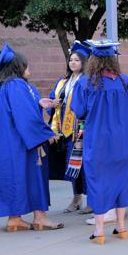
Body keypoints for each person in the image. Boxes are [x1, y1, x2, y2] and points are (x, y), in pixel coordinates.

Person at [0, 44, 62, 232]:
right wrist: (45, 134)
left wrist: (38, 102)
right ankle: (40, 217)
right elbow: (25, 117)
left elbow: (14, 112)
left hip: (6, 142)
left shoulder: (0, 87)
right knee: (35, 175)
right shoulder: (17, 85)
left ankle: (14, 219)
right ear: (18, 67)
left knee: (14, 177)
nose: (30, 70)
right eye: (27, 66)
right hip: (22, 142)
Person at [72, 42, 128, 244]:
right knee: (122, 182)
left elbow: (79, 111)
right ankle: (121, 227)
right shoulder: (125, 82)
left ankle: (99, 230)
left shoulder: (85, 83)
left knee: (98, 182)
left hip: (97, 142)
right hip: (123, 142)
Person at [48, 42, 90, 214]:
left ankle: (92, 200)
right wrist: (53, 102)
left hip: (80, 129)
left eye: (76, 60)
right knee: (71, 166)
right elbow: (52, 98)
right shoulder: (63, 81)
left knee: (84, 166)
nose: (72, 63)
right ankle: (77, 197)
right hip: (64, 129)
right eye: (71, 60)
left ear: (84, 62)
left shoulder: (87, 80)